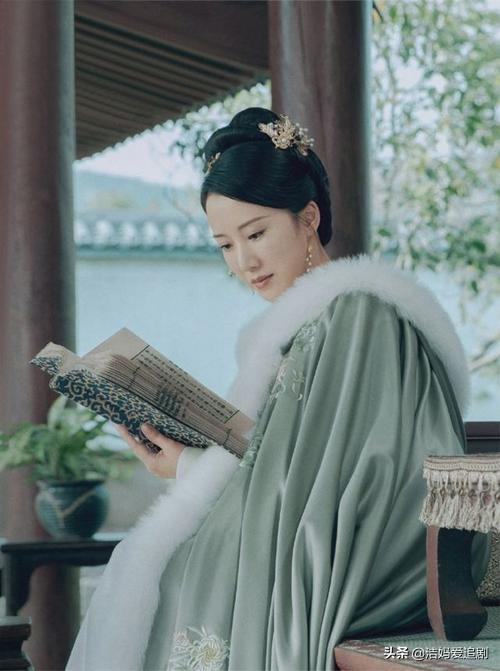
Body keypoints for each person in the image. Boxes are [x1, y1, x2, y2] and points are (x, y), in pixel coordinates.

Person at [66, 108, 489, 671]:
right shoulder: (311, 323)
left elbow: (339, 480)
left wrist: (191, 468)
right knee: (158, 566)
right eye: (225, 245)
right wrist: (188, 460)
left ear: (308, 217)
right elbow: (294, 464)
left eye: (256, 233)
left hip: (372, 553)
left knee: (172, 572)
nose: (244, 262)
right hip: (323, 532)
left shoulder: (357, 315)